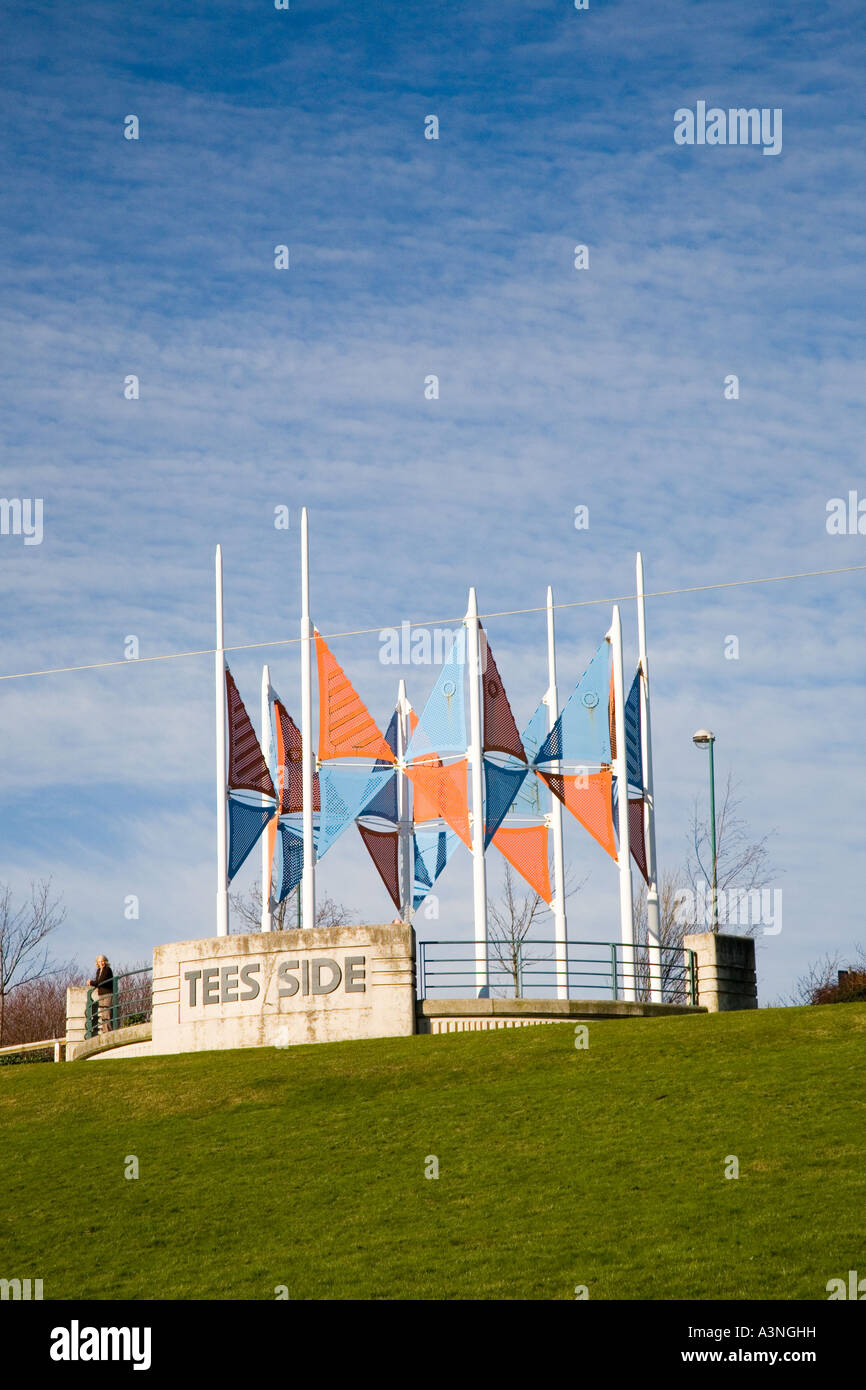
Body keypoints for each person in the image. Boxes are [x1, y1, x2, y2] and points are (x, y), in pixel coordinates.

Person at [89, 955, 114, 1035]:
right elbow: (98, 982)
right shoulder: (98, 970)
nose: (101, 963)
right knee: (102, 1013)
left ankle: (108, 1032)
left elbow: (100, 981)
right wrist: (94, 983)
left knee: (106, 1013)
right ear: (97, 963)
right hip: (101, 994)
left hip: (107, 993)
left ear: (105, 961)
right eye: (99, 961)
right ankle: (104, 1031)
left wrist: (91, 982)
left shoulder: (107, 970)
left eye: (102, 961)